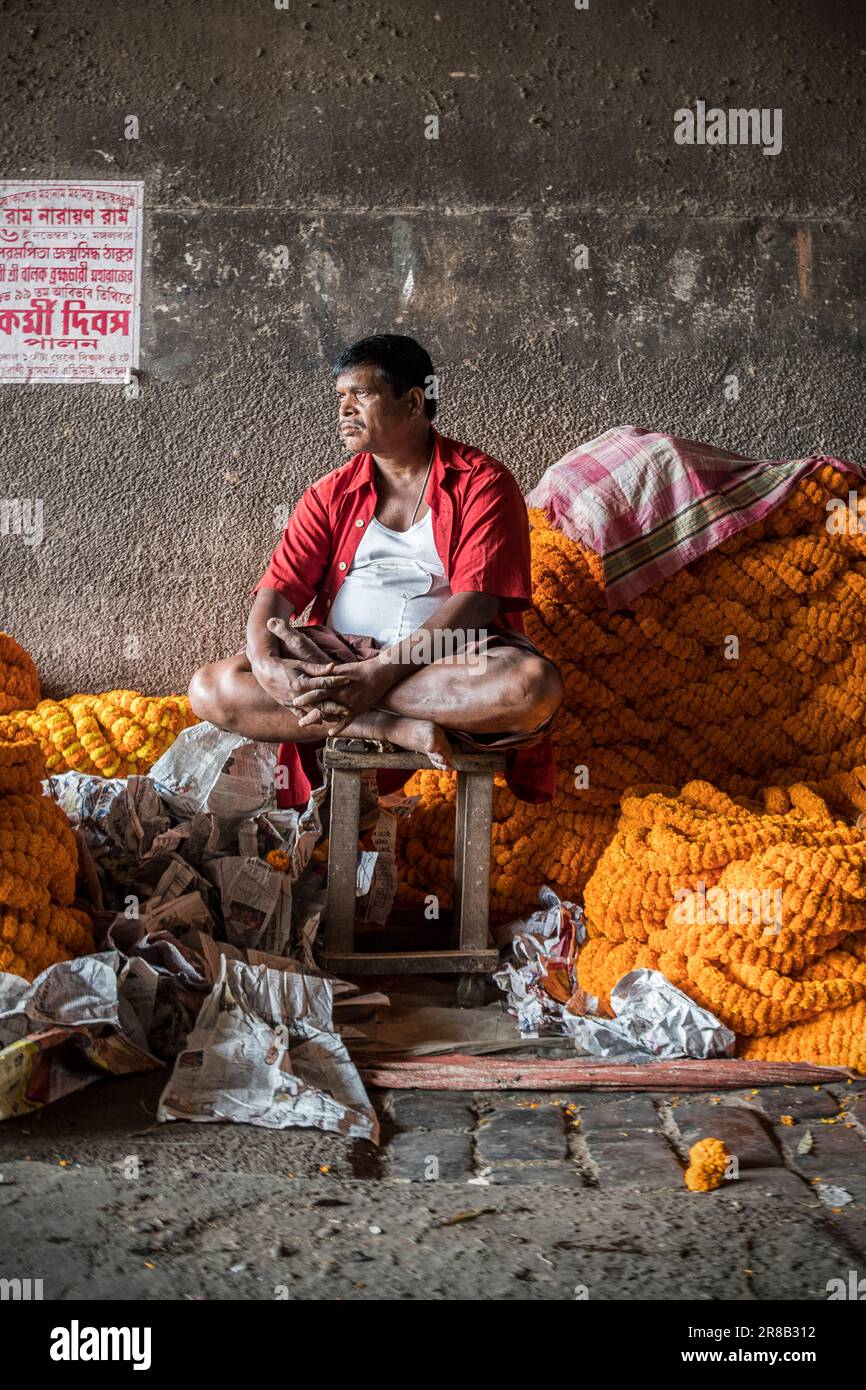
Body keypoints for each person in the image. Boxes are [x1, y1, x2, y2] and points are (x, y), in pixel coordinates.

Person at [188, 334, 562, 807]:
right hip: (338, 655)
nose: (344, 410)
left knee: (533, 686)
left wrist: (377, 674)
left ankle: (354, 701)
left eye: (361, 394)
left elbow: (478, 601)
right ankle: (387, 724)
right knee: (209, 689)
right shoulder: (329, 493)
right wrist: (267, 666)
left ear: (412, 402)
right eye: (340, 397)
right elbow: (277, 593)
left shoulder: (482, 482)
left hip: (445, 657)